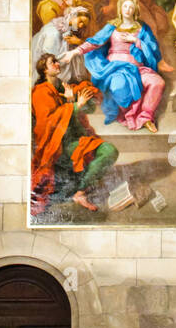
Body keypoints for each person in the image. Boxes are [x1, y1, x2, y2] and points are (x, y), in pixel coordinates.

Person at [31, 54, 118, 214]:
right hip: (58, 146)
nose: (57, 64)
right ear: (44, 69)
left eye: (57, 61)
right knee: (109, 151)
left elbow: (87, 107)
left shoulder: (62, 87)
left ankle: (82, 188)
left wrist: (81, 99)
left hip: (76, 138)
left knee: (109, 151)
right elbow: (49, 123)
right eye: (53, 62)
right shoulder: (40, 92)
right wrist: (75, 105)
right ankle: (80, 193)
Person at [75, 0, 173, 131]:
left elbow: (152, 48)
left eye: (131, 7)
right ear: (120, 8)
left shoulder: (142, 28)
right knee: (118, 87)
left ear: (135, 10)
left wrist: (136, 41)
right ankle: (130, 114)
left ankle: (145, 117)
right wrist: (75, 52)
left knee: (158, 83)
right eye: (125, 6)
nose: (128, 9)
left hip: (137, 69)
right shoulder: (112, 26)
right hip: (115, 70)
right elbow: (95, 42)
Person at [31, 5, 93, 86]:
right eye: (80, 21)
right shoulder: (54, 33)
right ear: (72, 15)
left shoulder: (71, 31)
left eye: (84, 25)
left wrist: (79, 43)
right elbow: (49, 60)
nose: (81, 26)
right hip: (52, 76)